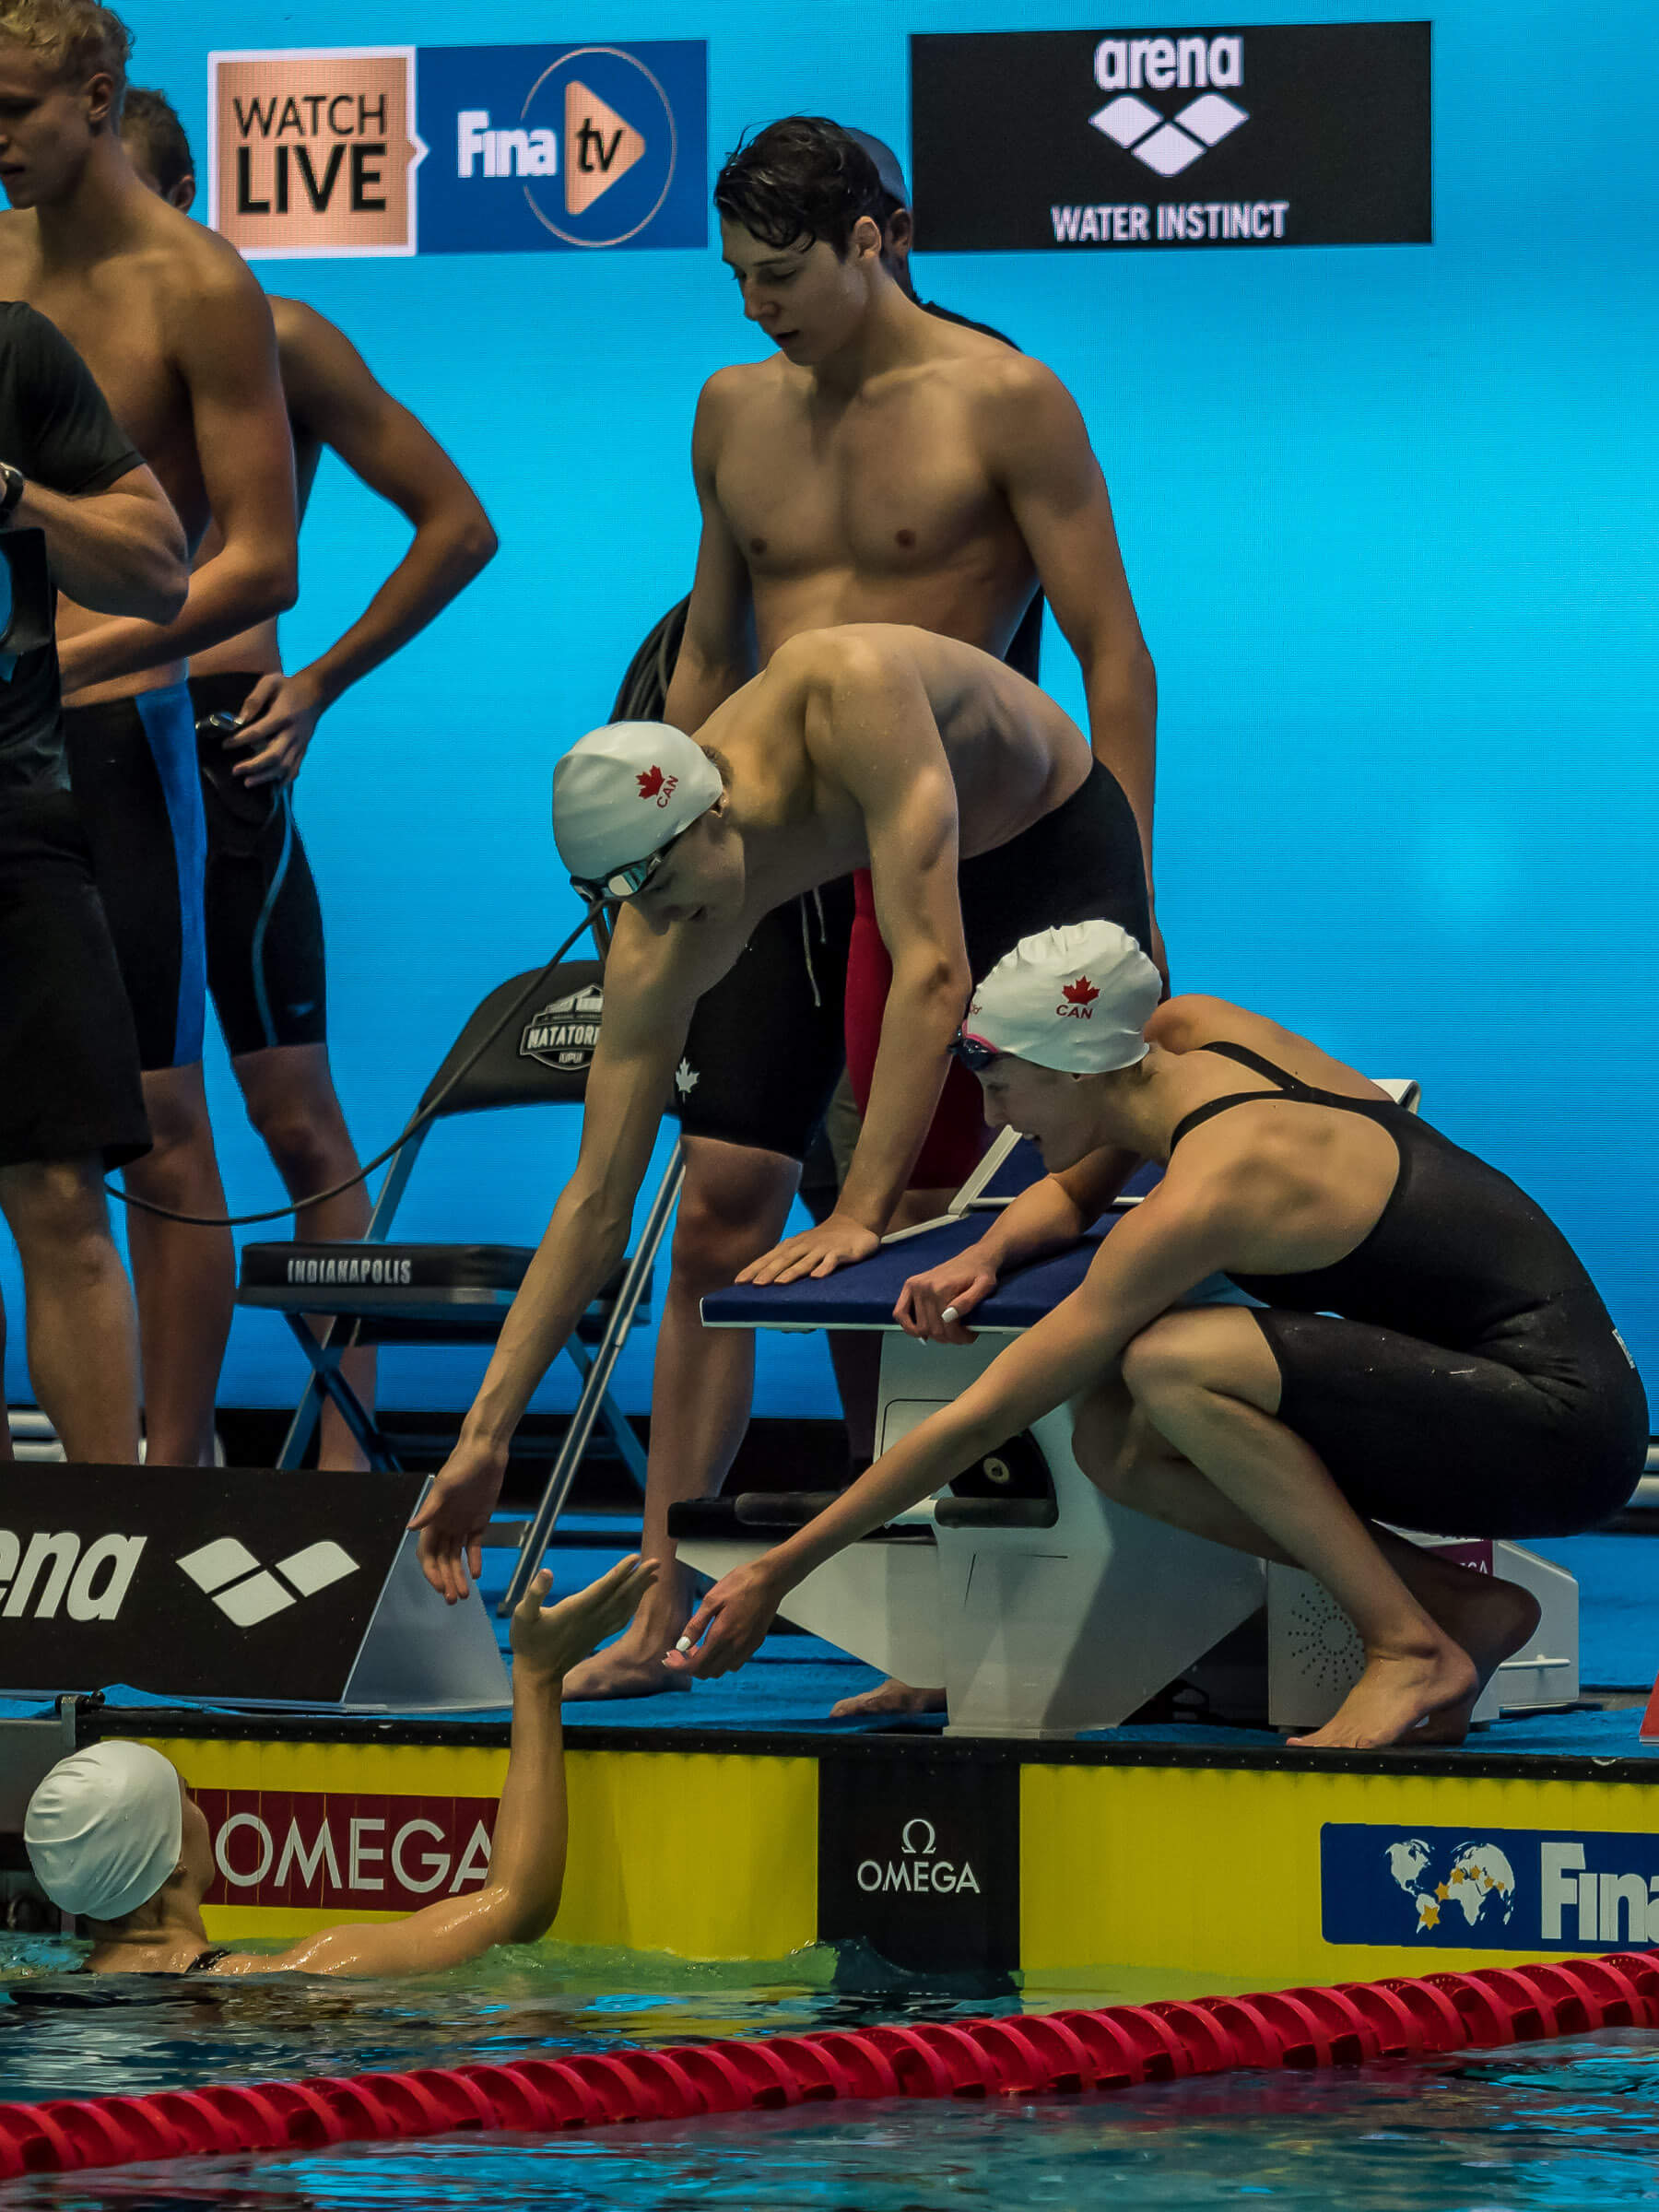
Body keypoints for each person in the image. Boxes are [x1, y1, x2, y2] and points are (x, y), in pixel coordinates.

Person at [572, 114, 1159, 1700]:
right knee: (719, 1209)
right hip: (769, 858)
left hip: (955, 867)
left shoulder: (1003, 400)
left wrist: (1122, 907)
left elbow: (1111, 650)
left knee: (915, 1239)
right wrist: (661, 827)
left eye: (783, 276)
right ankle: (657, 1595)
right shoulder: (732, 409)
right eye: (736, 277)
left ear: (870, 241)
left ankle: (936, 1619)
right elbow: (709, 643)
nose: (758, 307)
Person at [665, 922, 1649, 1751]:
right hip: (1530, 1389)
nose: (996, 1117)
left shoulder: (1212, 1191)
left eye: (1005, 1088)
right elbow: (1075, 1181)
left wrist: (779, 1569)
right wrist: (991, 1252)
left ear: (1077, 1067)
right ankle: (1461, 1608)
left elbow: (985, 1415)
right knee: (1116, 1441)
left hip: (1560, 1427)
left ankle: (1408, 1647)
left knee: (1167, 1363)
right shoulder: (1185, 1040)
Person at [414, 625, 1150, 1604]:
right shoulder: (660, 914)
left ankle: (1051, 1576)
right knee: (733, 1204)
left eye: (660, 886)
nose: (655, 919)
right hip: (874, 857)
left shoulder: (849, 688)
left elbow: (934, 974)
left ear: (717, 812)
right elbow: (596, 1201)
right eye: (621, 899)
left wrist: (858, 1210)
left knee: (1056, 1152)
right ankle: (674, 1609)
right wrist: (483, 1435)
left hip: (1043, 832)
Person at [120, 86, 500, 1471]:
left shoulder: (271, 336)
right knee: (141, 1127)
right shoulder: (35, 333)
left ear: (172, 200)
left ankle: (345, 1458)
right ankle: (168, 1467)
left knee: (290, 1115)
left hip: (219, 745)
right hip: (72, 747)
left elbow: (458, 526)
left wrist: (322, 679)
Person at [0, 1, 299, 1466]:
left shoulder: (198, 286)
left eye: (12, 108)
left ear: (101, 100)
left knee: (164, 1122)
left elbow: (259, 560)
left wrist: (71, 660)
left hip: (122, 740)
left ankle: (171, 1497)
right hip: (12, 755)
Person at [22, 1557, 655, 1973]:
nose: (201, 1804)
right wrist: (538, 1679)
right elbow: (515, 1906)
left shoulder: (39, 1987)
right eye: (183, 1796)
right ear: (173, 1861)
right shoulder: (300, 1973)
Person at [0, 300, 187, 1464]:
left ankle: (109, 1557)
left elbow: (160, 574)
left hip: (12, 821)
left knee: (62, 1200)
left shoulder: (16, 352)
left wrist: (13, 497)